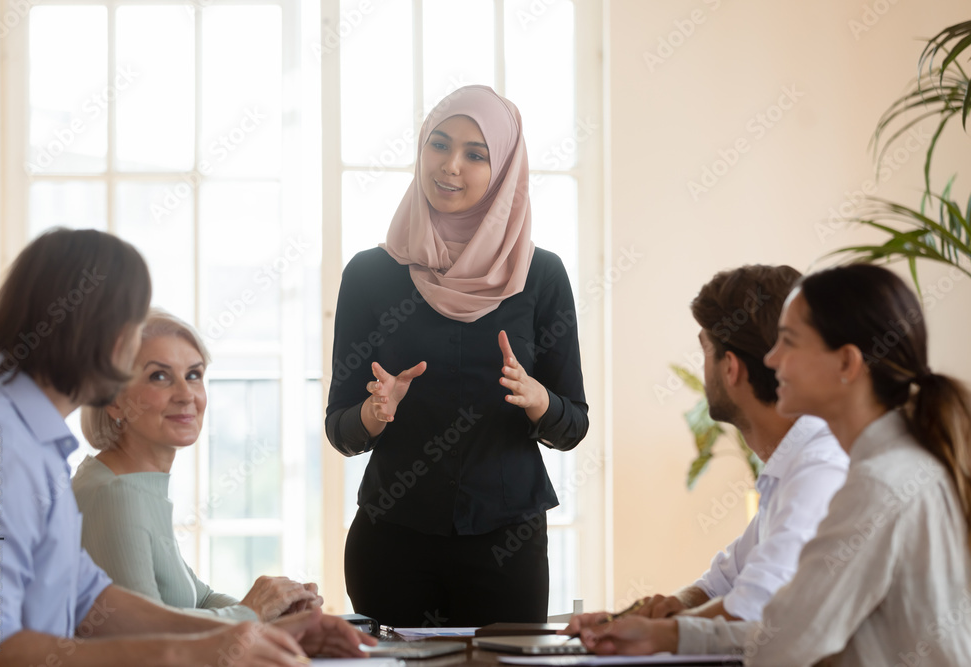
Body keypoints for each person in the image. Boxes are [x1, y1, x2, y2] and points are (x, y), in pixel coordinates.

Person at [0, 228, 373, 666]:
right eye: (131, 321)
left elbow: (91, 601)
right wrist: (194, 650)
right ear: (98, 331)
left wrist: (258, 632)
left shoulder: (33, 437)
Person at [564, 264, 971, 665]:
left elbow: (784, 643)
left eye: (789, 342)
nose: (772, 359)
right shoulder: (888, 465)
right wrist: (661, 631)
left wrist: (665, 635)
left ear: (846, 364)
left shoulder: (876, 483)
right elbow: (781, 627)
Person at [326, 85, 589, 627]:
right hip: (393, 541)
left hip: (506, 547)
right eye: (438, 145)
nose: (450, 166)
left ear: (505, 167)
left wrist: (540, 401)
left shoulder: (540, 276)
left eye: (476, 153)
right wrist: (373, 414)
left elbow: (573, 426)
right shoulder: (370, 276)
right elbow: (340, 430)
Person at [74, 309, 320, 622]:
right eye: (159, 376)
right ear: (113, 400)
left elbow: (196, 597)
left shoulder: (134, 483)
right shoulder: (114, 494)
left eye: (193, 375)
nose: (186, 394)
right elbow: (151, 637)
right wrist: (252, 614)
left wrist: (278, 614)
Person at [633, 265, 848, 622]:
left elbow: (755, 607)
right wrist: (678, 605)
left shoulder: (820, 467)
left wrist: (648, 635)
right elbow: (724, 581)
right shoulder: (791, 463)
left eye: (705, 352)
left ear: (730, 367)